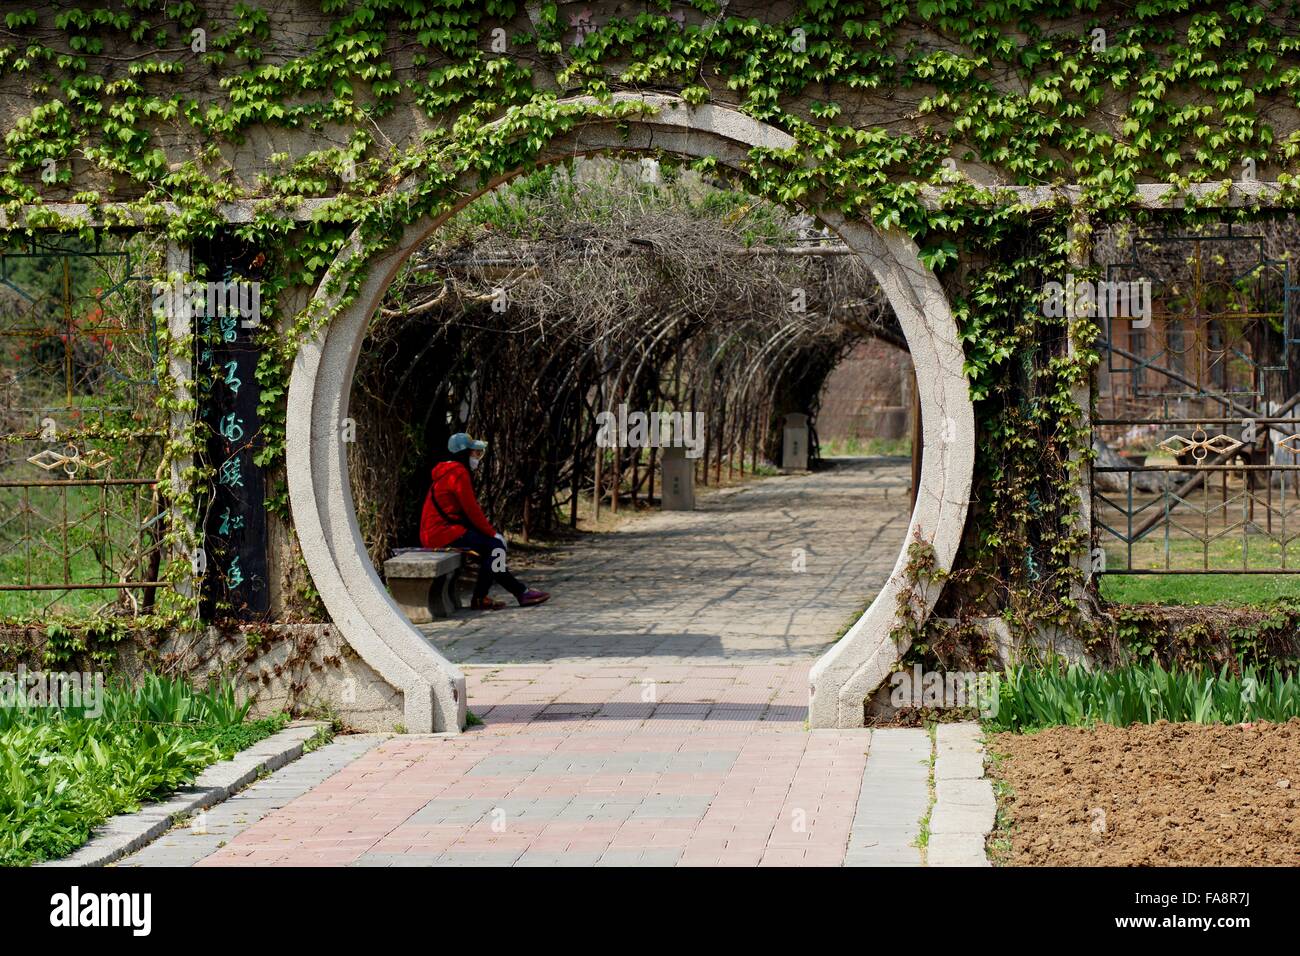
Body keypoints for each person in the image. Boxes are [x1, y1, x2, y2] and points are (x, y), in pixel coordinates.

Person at [419, 433, 550, 610]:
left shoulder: (447, 471)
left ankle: (519, 592)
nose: (477, 458)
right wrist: (492, 533)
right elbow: (471, 510)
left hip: (438, 532)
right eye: (474, 453)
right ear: (464, 453)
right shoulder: (458, 473)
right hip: (442, 533)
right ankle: (489, 596)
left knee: (494, 549)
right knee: (496, 547)